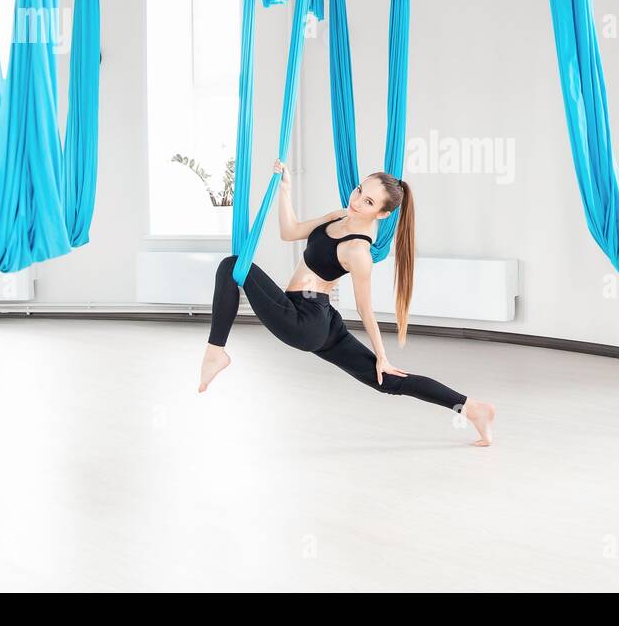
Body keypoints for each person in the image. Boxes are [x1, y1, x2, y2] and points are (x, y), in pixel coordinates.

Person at [199, 160, 497, 446]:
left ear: (381, 214)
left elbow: (365, 308)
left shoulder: (358, 250)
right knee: (388, 383)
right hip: (323, 320)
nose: (357, 201)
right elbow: (290, 232)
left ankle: (216, 352)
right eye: (359, 190)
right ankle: (472, 408)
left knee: (233, 266)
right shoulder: (341, 215)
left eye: (369, 202)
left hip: (305, 322)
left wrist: (382, 355)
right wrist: (286, 189)